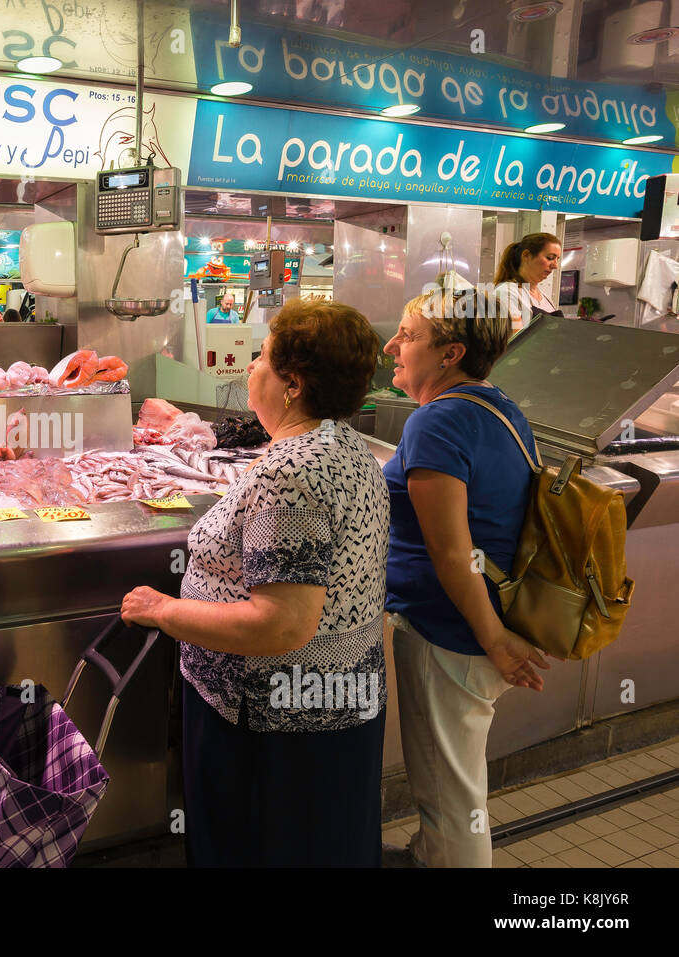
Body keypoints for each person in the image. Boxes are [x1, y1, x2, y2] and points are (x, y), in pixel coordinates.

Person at [121, 298, 389, 867]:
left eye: (261, 357)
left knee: (260, 847)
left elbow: (281, 623)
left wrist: (164, 610)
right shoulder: (342, 445)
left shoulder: (290, 470)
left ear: (292, 383)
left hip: (273, 727)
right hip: (331, 709)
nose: (250, 367)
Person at [382, 290, 550, 869]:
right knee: (452, 783)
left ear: (450, 352)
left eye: (407, 335)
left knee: (452, 797)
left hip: (449, 635)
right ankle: (429, 855)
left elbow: (453, 552)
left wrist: (492, 639)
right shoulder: (495, 404)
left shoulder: (438, 420)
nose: (392, 346)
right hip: (474, 627)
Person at [492, 232, 562, 334]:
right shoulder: (506, 292)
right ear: (526, 255)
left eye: (557, 259)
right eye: (550, 258)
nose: (555, 266)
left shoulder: (546, 298)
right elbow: (514, 340)